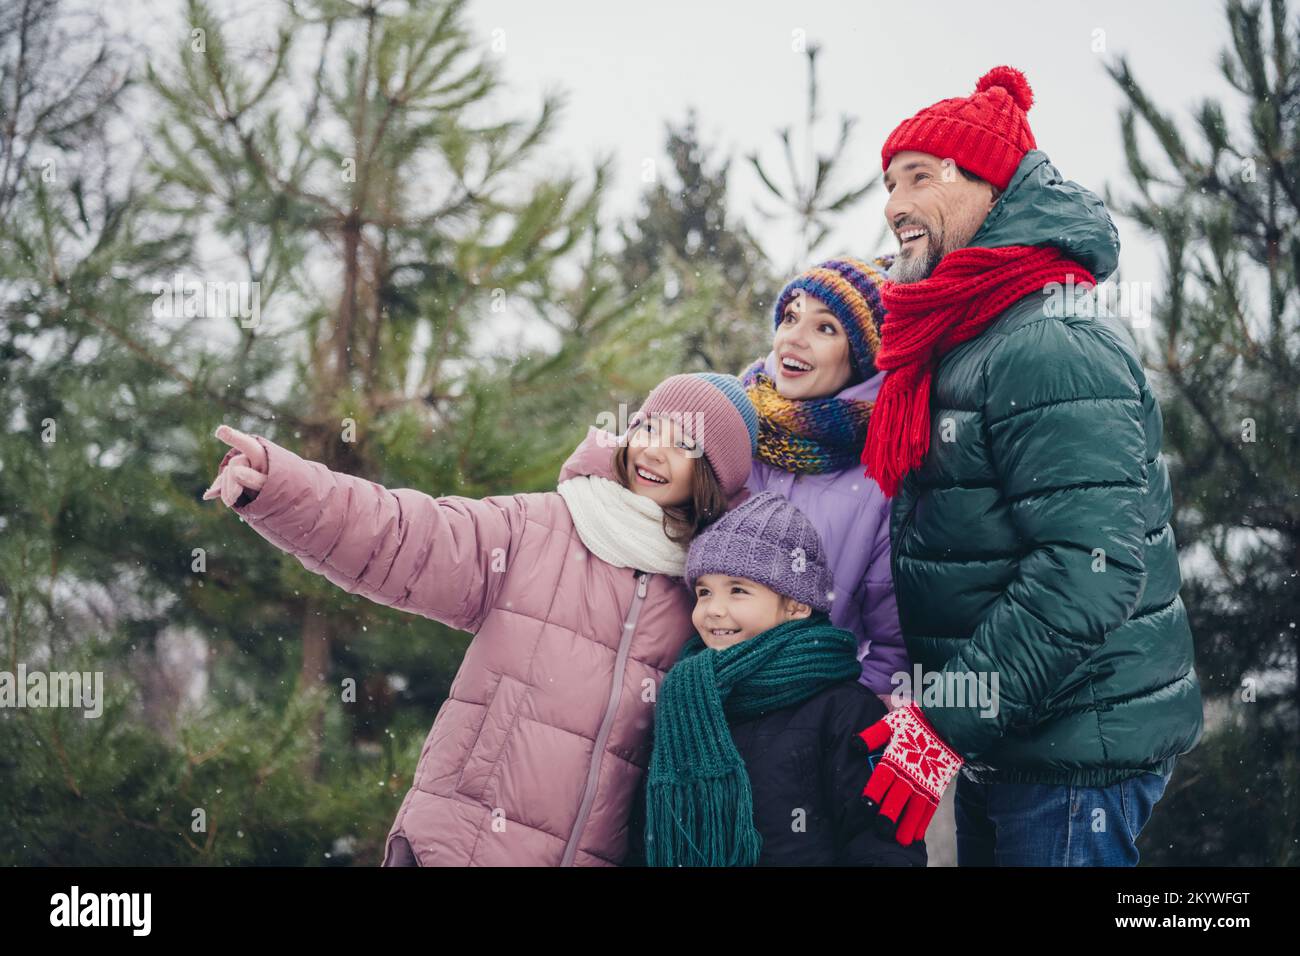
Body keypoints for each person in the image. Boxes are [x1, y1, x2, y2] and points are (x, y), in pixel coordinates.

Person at [855, 65, 1203, 865]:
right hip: (1015, 733)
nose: (894, 204)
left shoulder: (1049, 338)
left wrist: (941, 726)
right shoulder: (970, 329)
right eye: (888, 182)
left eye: (920, 177)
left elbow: (1091, 568)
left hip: (1073, 754)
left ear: (992, 188)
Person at [203, 372, 759, 866]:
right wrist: (280, 486)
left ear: (715, 475)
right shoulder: (539, 528)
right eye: (651, 427)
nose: (657, 451)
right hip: (462, 845)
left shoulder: (707, 598)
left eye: (685, 444)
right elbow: (402, 535)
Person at [634, 491, 925, 867]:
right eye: (704, 592)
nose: (713, 610)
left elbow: (880, 844)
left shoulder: (846, 710)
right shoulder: (686, 699)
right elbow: (650, 835)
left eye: (738, 590)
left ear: (797, 605)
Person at [740, 257, 910, 708]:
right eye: (791, 317)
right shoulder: (734, 424)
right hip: (697, 698)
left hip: (802, 720)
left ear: (860, 355)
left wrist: (836, 725)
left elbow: (891, 648)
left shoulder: (881, 475)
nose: (793, 338)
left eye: (826, 328)